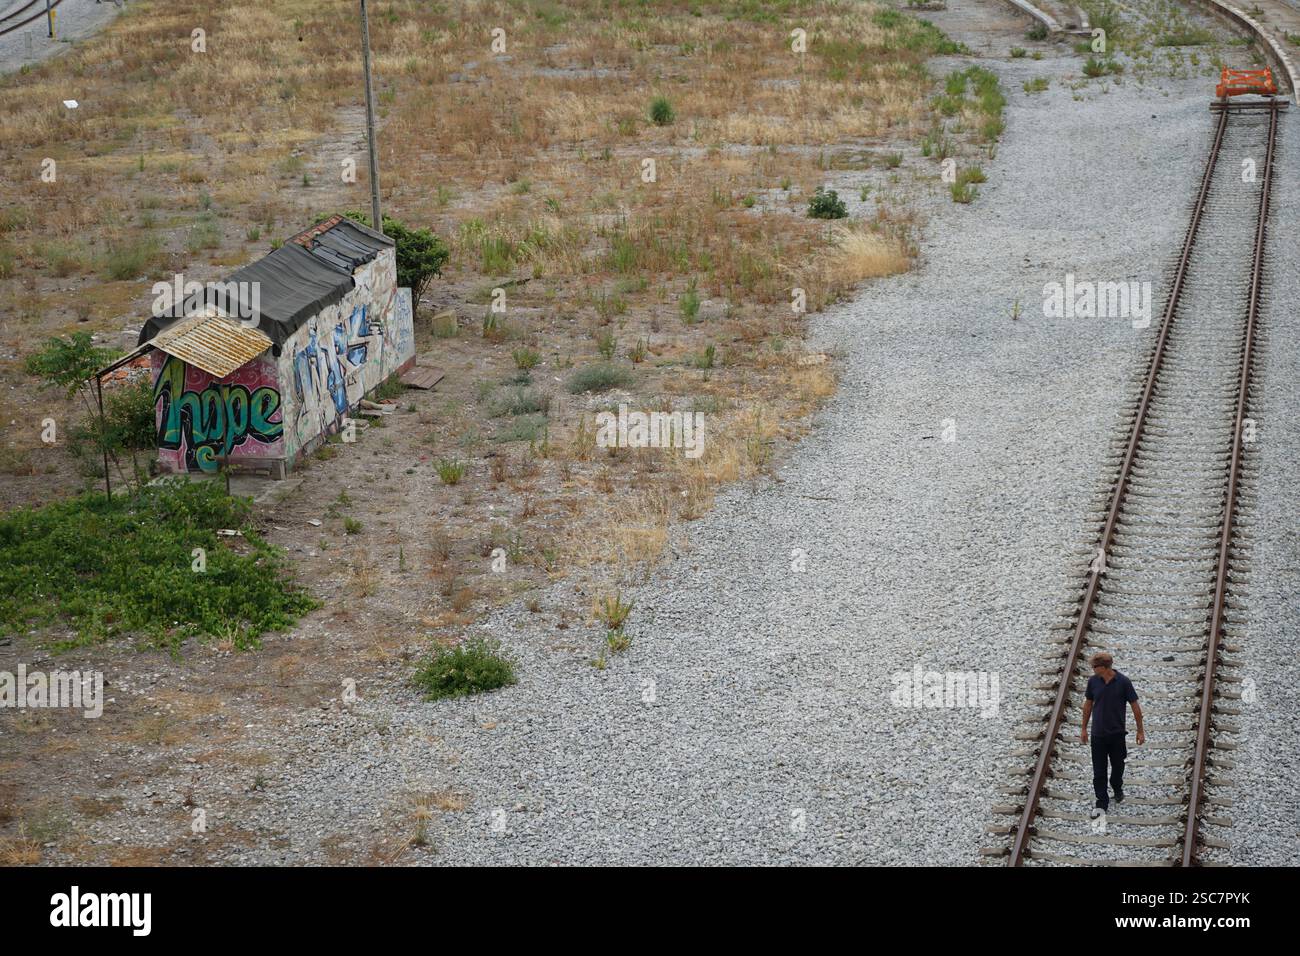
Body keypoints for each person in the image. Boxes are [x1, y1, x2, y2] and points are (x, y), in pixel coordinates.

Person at [1080, 651, 1144, 818]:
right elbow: (1087, 706)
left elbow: (1135, 707)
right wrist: (1084, 728)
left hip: (1117, 735)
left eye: (1094, 666)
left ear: (1104, 667)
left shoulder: (1123, 682)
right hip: (1098, 735)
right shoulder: (1093, 682)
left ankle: (1117, 786)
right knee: (1098, 771)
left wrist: (1140, 730)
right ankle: (1101, 803)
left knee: (1118, 766)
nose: (1092, 669)